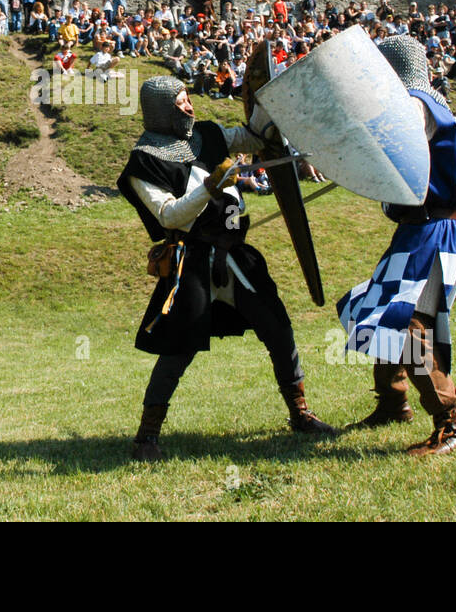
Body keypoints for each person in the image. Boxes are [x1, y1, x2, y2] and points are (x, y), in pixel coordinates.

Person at [117, 76, 335, 461]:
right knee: (177, 349)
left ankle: (299, 414)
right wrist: (210, 187)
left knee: (279, 331)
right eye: (181, 102)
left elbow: (254, 137)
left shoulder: (208, 134)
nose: (189, 106)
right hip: (192, 262)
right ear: (161, 111)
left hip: (238, 254)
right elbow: (169, 215)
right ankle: (146, 437)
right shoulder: (144, 161)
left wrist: (271, 103)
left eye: (188, 99)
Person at [338, 36, 456, 455]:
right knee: (375, 310)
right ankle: (392, 402)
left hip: (437, 229)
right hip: (421, 228)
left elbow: (396, 143)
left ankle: (452, 423)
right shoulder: (425, 103)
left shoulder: (416, 103)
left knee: (405, 322)